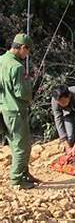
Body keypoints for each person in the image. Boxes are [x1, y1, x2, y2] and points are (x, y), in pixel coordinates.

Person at [0, 33, 39, 189]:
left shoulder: (1, 60)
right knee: (22, 147)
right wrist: (28, 85)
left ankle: (24, 173)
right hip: (15, 111)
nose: (27, 55)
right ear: (23, 48)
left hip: (3, 109)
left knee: (16, 143)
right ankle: (17, 180)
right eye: (27, 52)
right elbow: (22, 93)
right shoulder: (17, 67)